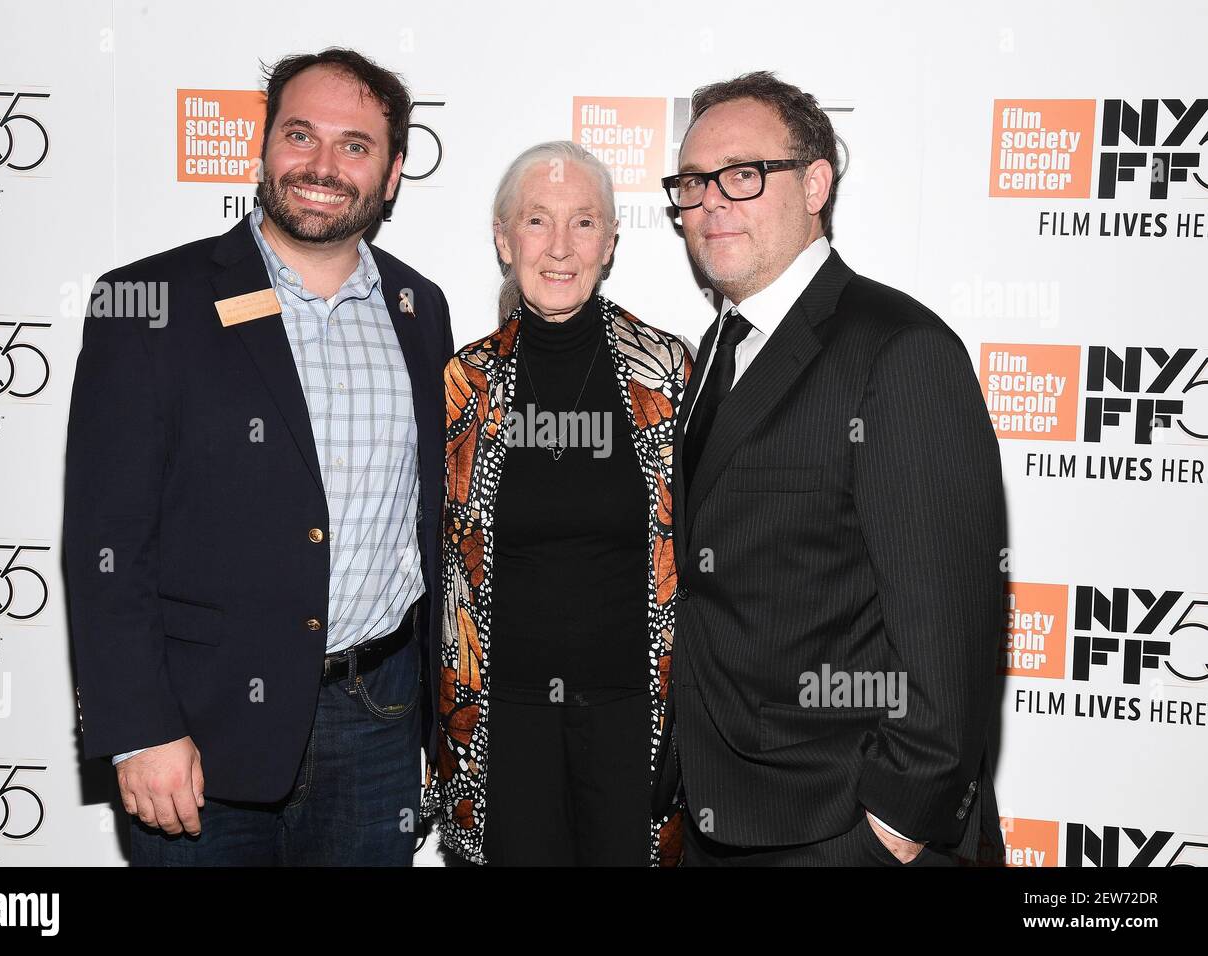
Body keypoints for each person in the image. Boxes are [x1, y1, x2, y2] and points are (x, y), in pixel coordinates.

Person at [64, 47, 453, 865]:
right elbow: (107, 543)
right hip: (197, 732)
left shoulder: (422, 310)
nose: (321, 165)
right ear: (264, 144)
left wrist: (431, 721)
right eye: (300, 135)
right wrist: (138, 728)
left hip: (378, 721)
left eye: (356, 145)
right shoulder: (150, 304)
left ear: (392, 174)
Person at [655, 72, 1007, 866]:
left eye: (743, 175)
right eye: (691, 183)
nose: (710, 201)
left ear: (816, 183)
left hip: (841, 827)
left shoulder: (899, 351)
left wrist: (890, 835)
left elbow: (947, 639)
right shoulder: (718, 348)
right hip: (723, 817)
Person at [426, 141, 689, 866]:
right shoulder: (466, 383)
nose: (560, 246)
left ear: (610, 242)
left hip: (635, 715)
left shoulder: (666, 370)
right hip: (501, 718)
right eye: (537, 221)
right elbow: (435, 557)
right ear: (504, 238)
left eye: (583, 222)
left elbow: (702, 553)